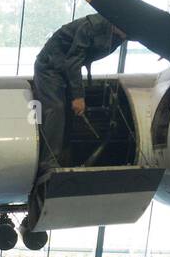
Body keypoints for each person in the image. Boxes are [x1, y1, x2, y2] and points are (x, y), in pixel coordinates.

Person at [33, 13, 127, 175]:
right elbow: (73, 61)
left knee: (68, 114)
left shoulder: (123, 33)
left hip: (67, 69)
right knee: (56, 108)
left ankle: (63, 160)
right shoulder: (91, 27)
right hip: (50, 67)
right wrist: (78, 96)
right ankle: (47, 162)